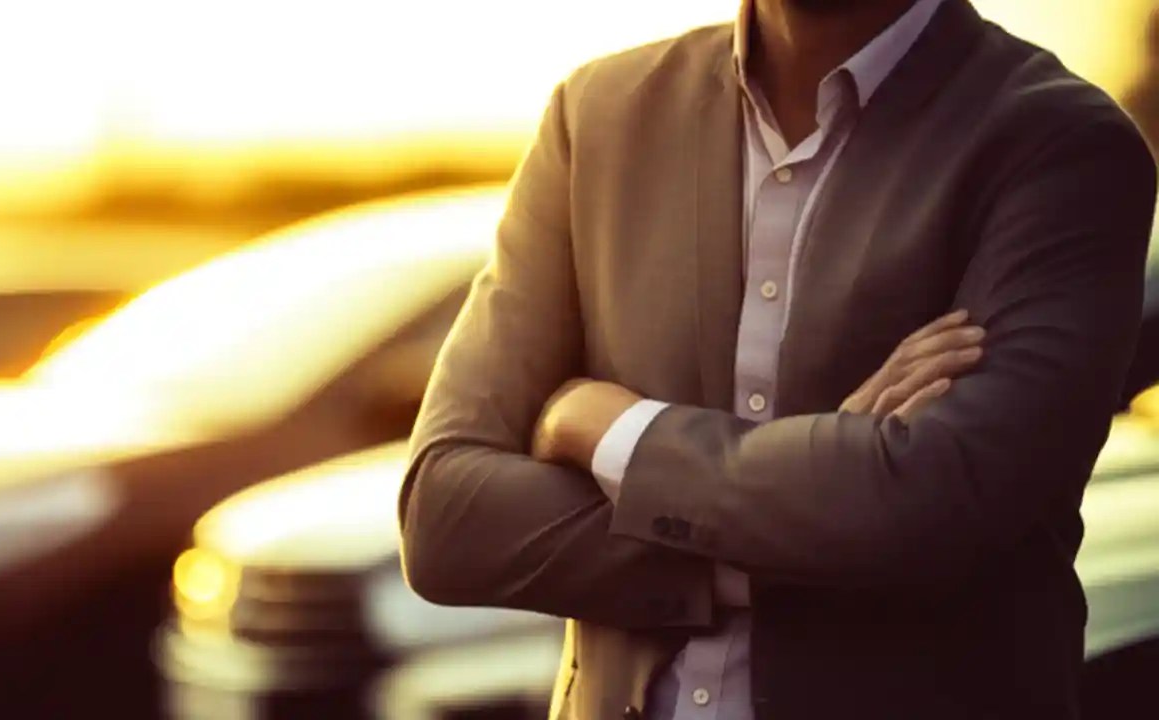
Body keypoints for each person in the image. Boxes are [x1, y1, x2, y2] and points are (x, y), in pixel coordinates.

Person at [397, 0, 1157, 717]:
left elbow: (939, 501)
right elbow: (445, 515)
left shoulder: (1061, 142)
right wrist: (825, 502)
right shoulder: (595, 116)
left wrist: (620, 435)